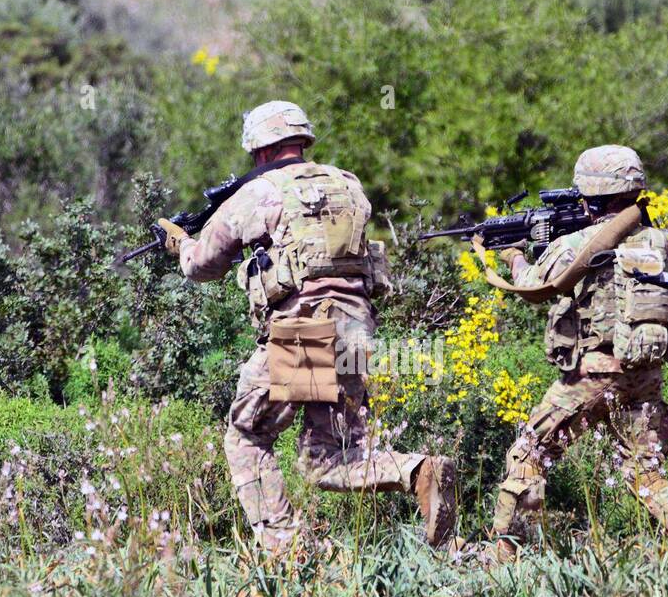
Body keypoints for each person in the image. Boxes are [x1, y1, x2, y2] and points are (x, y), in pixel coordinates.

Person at [158, 101, 456, 554]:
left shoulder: (258, 193)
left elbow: (203, 265)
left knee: (248, 437)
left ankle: (284, 551)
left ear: (258, 149)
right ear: (302, 139)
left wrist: (180, 244)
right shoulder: (348, 184)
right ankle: (415, 471)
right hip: (355, 329)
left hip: (305, 332)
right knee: (328, 457)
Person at [487, 145, 668, 558]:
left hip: (593, 373)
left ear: (588, 197)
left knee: (529, 453)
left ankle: (508, 559)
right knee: (646, 476)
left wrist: (514, 255)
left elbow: (533, 286)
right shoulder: (664, 242)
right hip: (644, 375)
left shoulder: (578, 244)